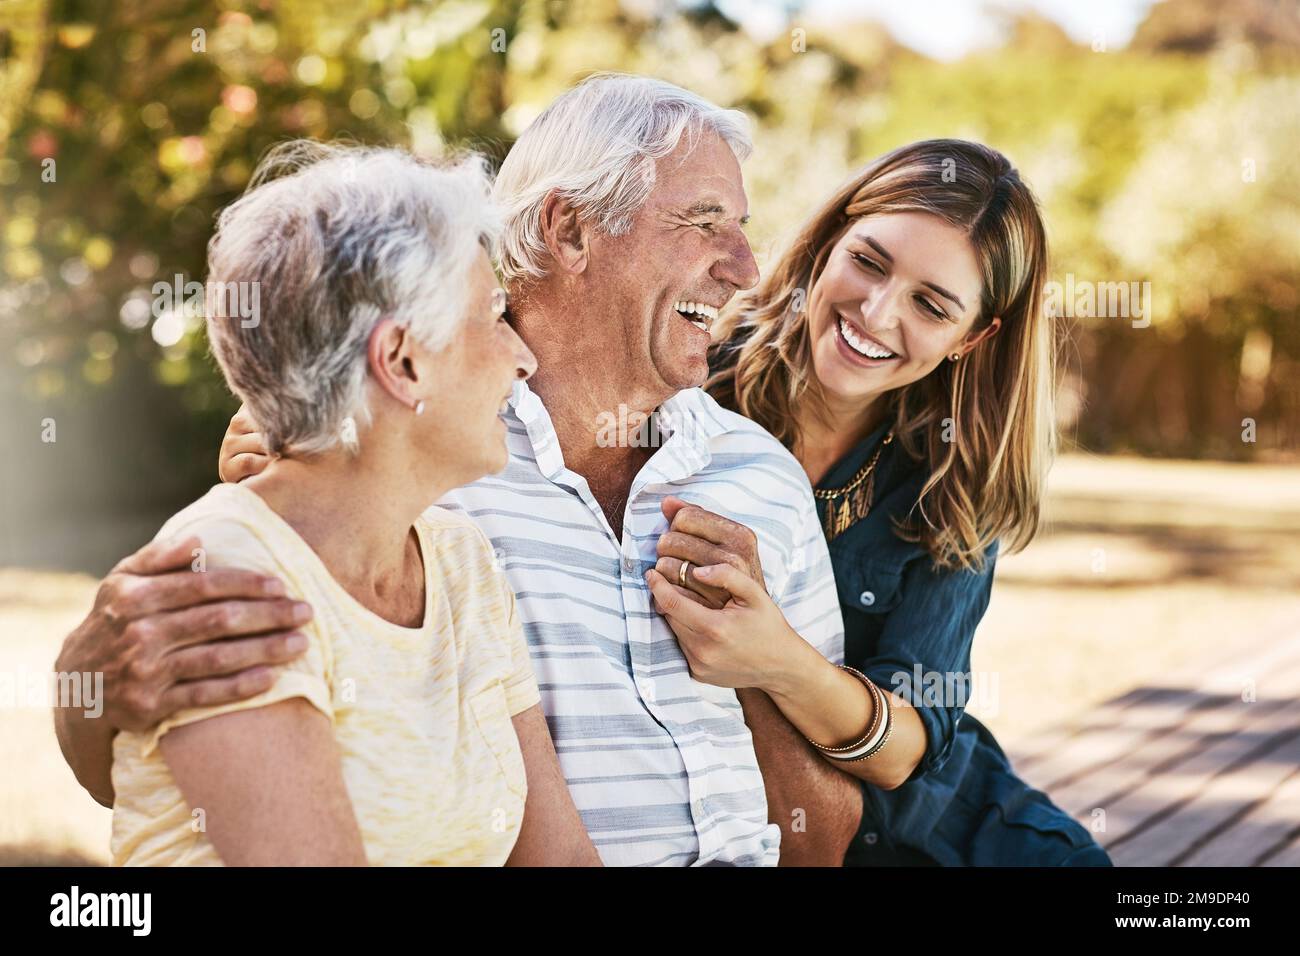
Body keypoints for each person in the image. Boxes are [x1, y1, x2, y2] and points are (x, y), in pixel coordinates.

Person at [54, 75, 859, 867]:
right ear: (570, 230)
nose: (748, 267)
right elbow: (158, 708)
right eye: (704, 221)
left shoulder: (464, 551)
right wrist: (88, 675)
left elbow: (818, 823)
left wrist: (765, 662)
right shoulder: (391, 467)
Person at [99, 141, 599, 865]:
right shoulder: (228, 574)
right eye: (493, 317)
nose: (524, 358)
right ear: (402, 361)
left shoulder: (461, 562)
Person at [649, 139, 1112, 865]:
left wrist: (777, 661)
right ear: (830, 240)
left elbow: (907, 746)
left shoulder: (957, 473)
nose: (876, 312)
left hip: (939, 827)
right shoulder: (690, 384)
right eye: (868, 261)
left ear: (973, 337)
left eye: (932, 305)